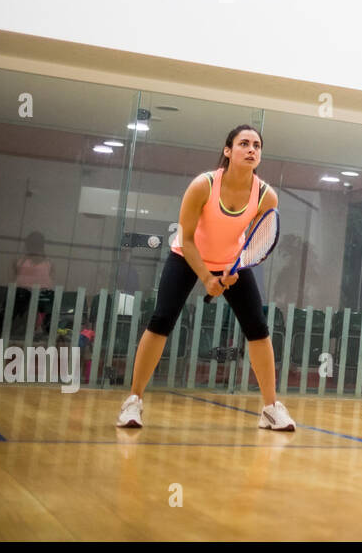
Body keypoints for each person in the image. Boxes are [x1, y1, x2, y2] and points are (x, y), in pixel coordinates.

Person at [117, 125, 295, 431]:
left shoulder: (267, 196)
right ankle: (133, 401)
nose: (251, 149)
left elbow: (253, 244)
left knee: (258, 329)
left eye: (256, 145)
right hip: (186, 257)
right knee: (161, 320)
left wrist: (233, 270)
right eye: (244, 144)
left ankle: (270, 408)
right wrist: (207, 278)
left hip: (231, 263)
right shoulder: (203, 185)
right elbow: (186, 239)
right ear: (228, 151)